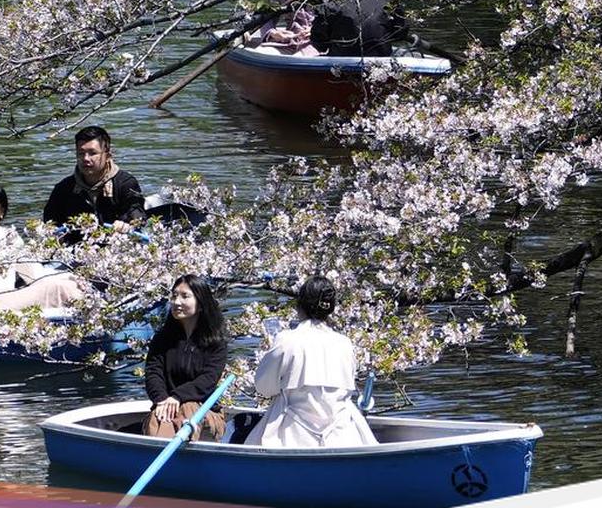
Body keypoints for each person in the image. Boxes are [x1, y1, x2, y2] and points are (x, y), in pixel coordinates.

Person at [244, 276, 377, 448]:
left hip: (292, 435)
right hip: (343, 436)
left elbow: (264, 388)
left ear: (300, 305)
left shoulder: (287, 340)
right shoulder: (345, 343)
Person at [143, 274, 230, 441]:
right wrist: (162, 400)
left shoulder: (216, 343)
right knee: (160, 417)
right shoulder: (162, 339)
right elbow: (153, 373)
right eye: (174, 296)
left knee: (188, 409)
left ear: (201, 303)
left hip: (203, 411)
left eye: (185, 296)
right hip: (166, 408)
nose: (176, 302)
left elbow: (208, 380)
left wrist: (177, 397)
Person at [42, 126, 145, 239]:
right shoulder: (64, 188)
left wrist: (126, 224)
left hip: (115, 243)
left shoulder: (125, 183)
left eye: (92, 153)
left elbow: (137, 214)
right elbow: (50, 222)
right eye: (81, 153)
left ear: (107, 156)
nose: (86, 158)